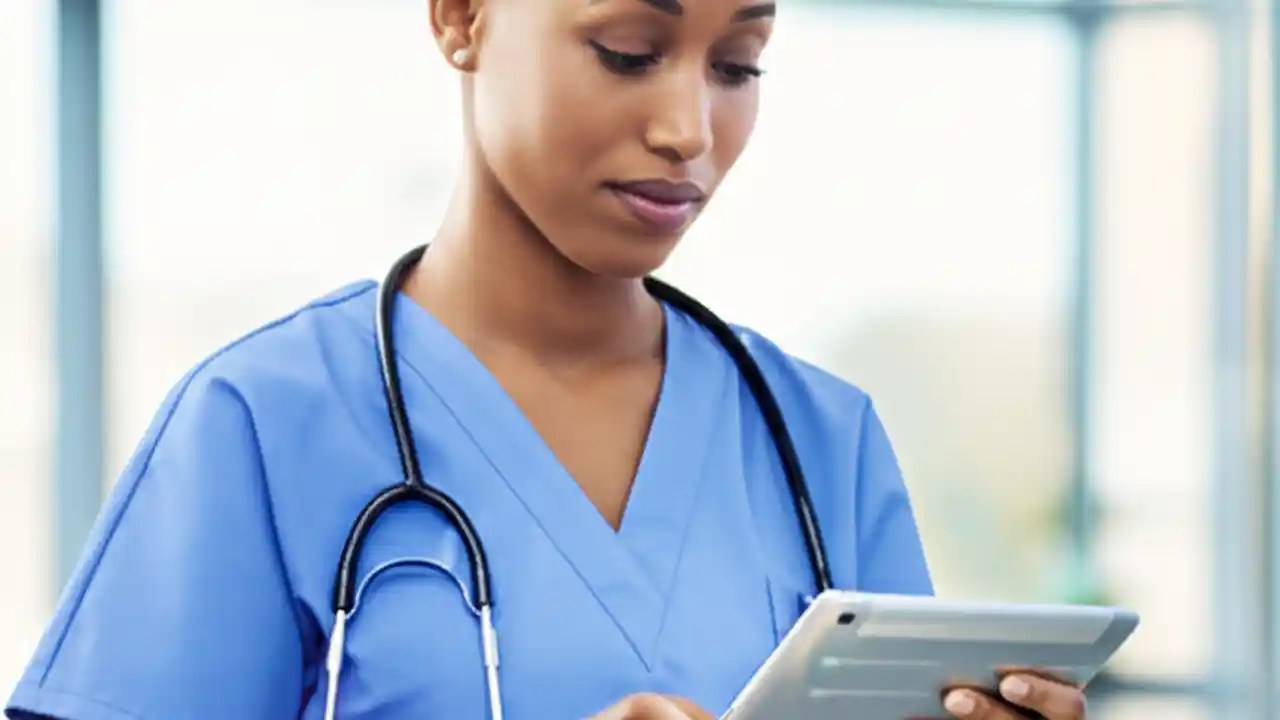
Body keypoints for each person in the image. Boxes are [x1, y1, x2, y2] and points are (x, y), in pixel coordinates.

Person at [6, 0, 1091, 718]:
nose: (687, 127)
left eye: (736, 65)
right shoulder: (261, 422)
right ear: (459, 15)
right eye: (628, 51)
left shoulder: (822, 441)